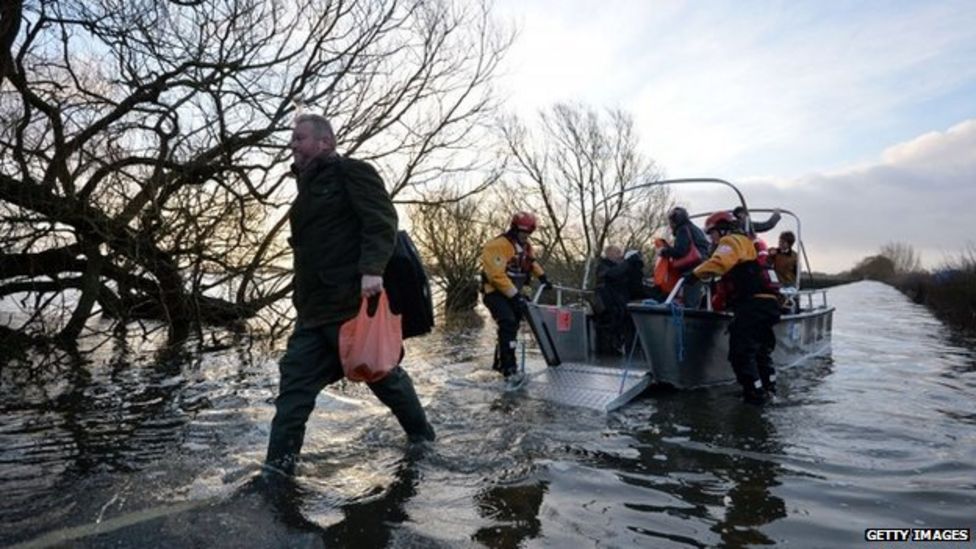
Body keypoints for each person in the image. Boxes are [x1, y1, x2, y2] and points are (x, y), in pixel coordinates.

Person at [264, 114, 435, 477]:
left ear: (324, 142)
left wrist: (372, 270)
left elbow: (382, 219)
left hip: (351, 307)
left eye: (300, 137)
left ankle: (423, 439)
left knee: (384, 377)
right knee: (293, 390)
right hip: (312, 312)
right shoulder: (305, 189)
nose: (292, 144)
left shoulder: (352, 172)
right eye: (292, 138)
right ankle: (276, 474)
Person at [686, 211, 781, 405]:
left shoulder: (732, 241)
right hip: (768, 304)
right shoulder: (748, 243)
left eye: (711, 233)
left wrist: (694, 274)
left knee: (741, 353)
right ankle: (769, 390)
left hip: (753, 304)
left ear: (721, 229)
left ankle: (755, 398)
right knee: (760, 351)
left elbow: (720, 262)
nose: (711, 238)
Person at [481, 212, 550, 379]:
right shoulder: (498, 245)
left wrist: (543, 277)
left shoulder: (525, 247)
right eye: (522, 232)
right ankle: (508, 367)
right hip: (495, 293)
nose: (525, 235)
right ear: (514, 228)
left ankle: (501, 361)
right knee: (508, 322)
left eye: (528, 233)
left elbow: (530, 263)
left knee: (513, 328)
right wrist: (515, 296)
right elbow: (496, 276)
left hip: (513, 293)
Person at [658, 207, 710, 308]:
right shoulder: (695, 229)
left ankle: (687, 322)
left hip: (692, 268)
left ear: (674, 221)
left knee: (689, 301)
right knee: (696, 298)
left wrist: (664, 251)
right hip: (702, 266)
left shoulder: (682, 229)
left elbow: (681, 250)